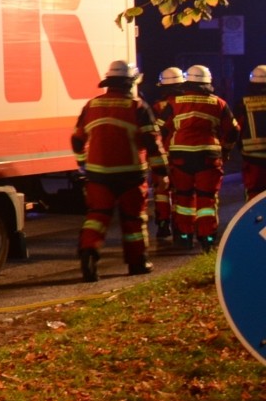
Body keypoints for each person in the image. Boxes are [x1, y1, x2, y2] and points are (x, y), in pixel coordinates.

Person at [70, 61, 167, 281]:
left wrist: (83, 163)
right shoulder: (138, 107)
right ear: (130, 82)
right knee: (133, 219)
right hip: (131, 176)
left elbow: (77, 139)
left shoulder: (91, 105)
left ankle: (89, 253)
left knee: (97, 216)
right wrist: (161, 172)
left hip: (98, 175)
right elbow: (152, 142)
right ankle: (137, 263)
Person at [161, 64, 241, 250]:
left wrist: (164, 153)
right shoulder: (218, 103)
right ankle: (208, 238)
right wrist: (226, 150)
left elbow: (161, 128)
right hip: (209, 156)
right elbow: (234, 130)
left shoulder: (174, 103)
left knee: (184, 197)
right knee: (207, 198)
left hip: (180, 157)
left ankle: (184, 235)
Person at [148, 67, 186, 239]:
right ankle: (180, 225)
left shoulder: (157, 106)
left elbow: (154, 131)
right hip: (182, 152)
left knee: (162, 190)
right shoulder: (186, 104)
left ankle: (163, 224)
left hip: (162, 154)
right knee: (180, 190)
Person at [239, 65, 266, 199]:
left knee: (254, 195)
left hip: (252, 157)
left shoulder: (243, 103)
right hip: (252, 157)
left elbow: (236, 128)